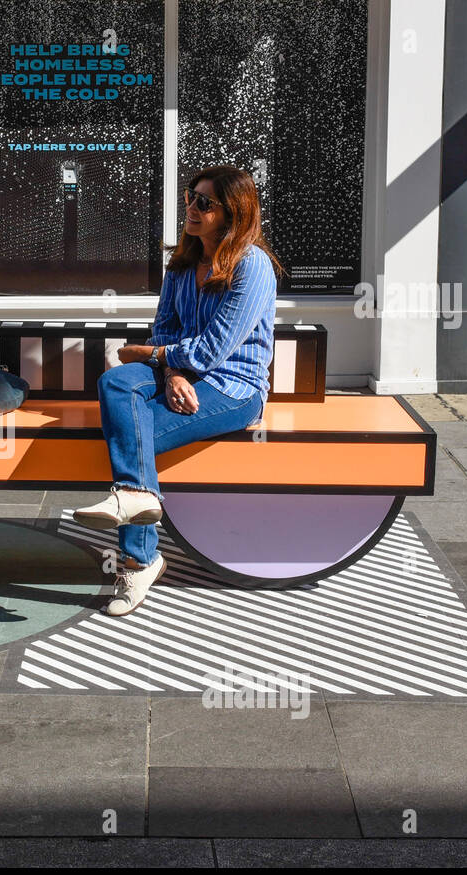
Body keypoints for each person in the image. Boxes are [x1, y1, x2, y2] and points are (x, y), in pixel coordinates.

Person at [73, 165, 283, 616]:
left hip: (233, 387)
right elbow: (165, 326)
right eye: (190, 197)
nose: (191, 207)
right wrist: (171, 374)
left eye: (204, 202)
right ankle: (139, 503)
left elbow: (211, 351)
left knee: (134, 429)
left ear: (233, 212)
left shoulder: (252, 266)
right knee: (113, 380)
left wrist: (155, 357)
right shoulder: (183, 261)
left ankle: (138, 558)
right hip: (180, 373)